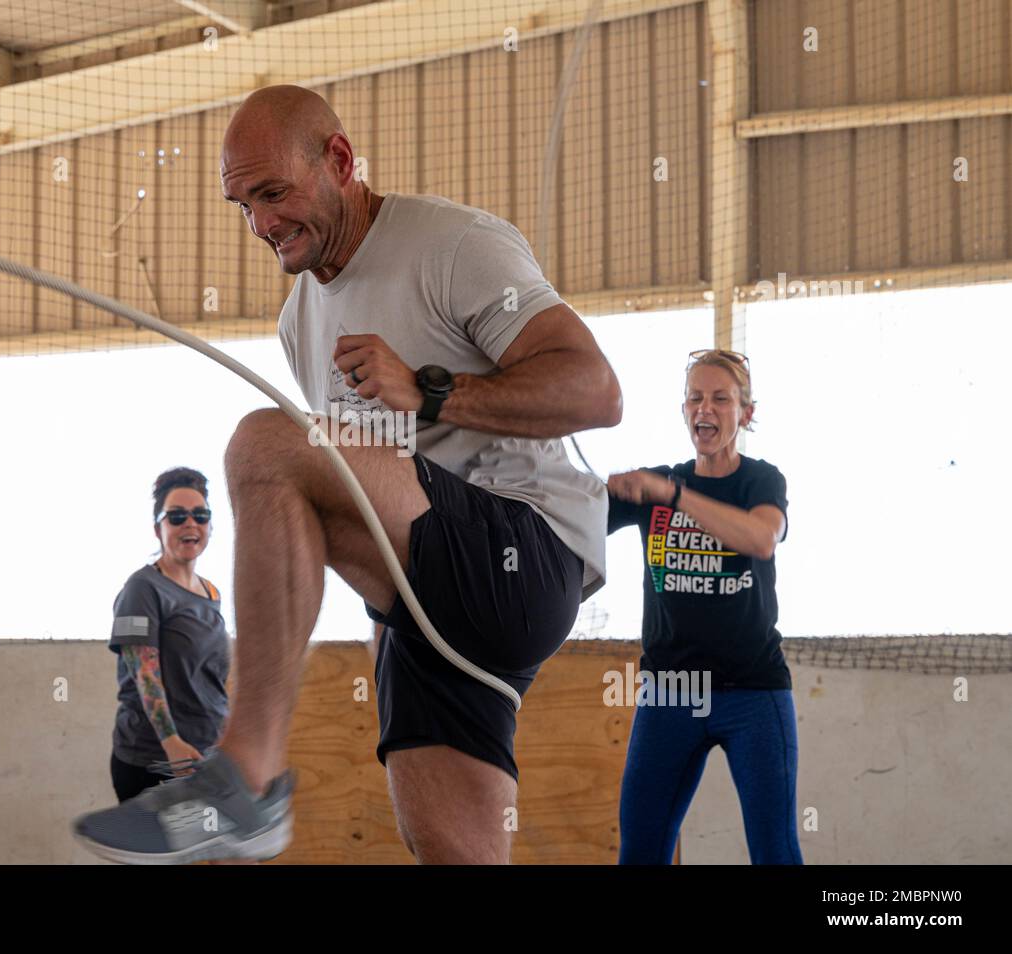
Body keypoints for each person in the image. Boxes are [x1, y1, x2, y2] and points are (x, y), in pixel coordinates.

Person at [74, 84, 622, 865]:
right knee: (451, 849)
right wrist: (391, 645)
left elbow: (597, 393)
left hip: (523, 552)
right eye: (243, 206)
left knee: (264, 446)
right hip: (426, 606)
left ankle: (245, 781)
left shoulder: (453, 243)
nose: (261, 225)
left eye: (273, 192)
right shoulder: (299, 322)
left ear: (337, 161)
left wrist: (432, 388)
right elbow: (352, 503)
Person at [606, 348, 802, 864]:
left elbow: (761, 538)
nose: (705, 409)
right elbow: (571, 516)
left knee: (775, 851)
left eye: (720, 399)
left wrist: (672, 496)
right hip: (670, 691)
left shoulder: (761, 481)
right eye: (695, 398)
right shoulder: (655, 482)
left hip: (753, 691)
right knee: (641, 851)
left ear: (746, 413)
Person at [107, 467, 229, 804]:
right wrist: (171, 742)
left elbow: (209, 680)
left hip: (206, 757)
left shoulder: (211, 593)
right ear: (157, 528)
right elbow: (144, 672)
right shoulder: (142, 588)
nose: (190, 523)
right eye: (176, 517)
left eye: (200, 515)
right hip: (156, 760)